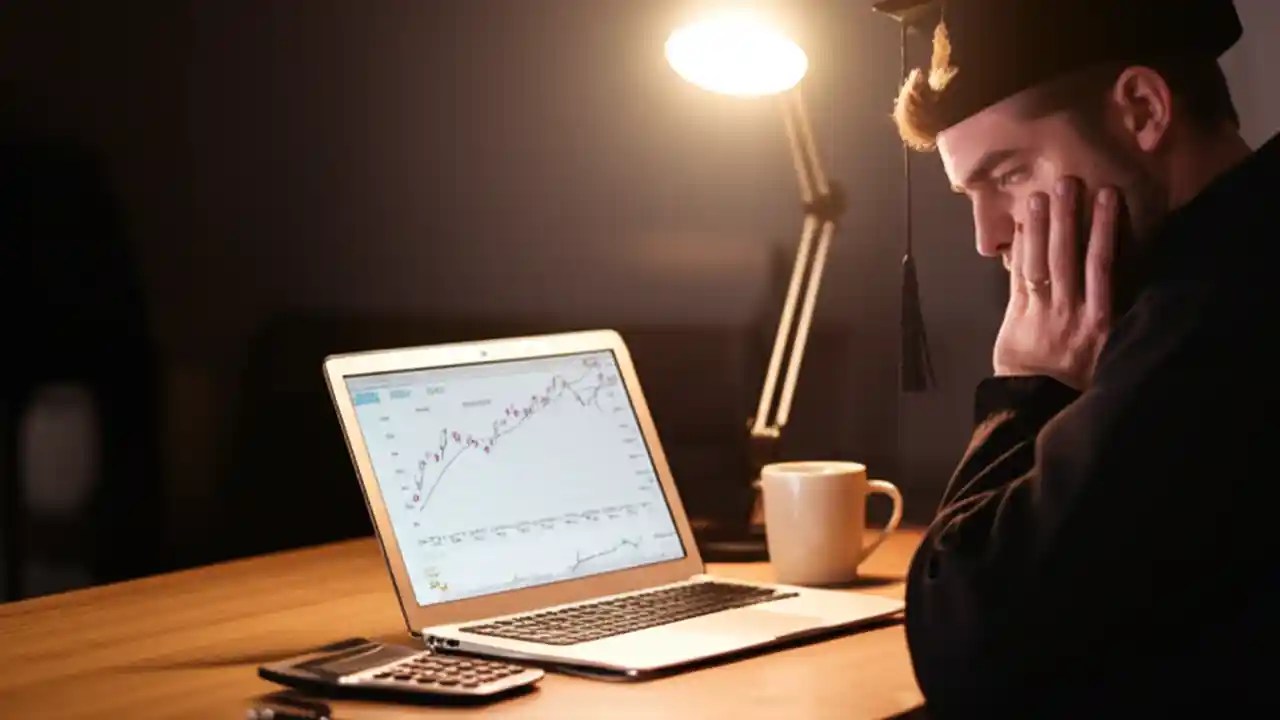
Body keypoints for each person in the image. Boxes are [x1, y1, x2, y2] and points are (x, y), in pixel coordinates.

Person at [880, 0, 1279, 716]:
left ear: (1143, 109)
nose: (987, 237)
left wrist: (1028, 390)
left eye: (1007, 175)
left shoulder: (1214, 314)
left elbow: (969, 642)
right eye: (969, 194)